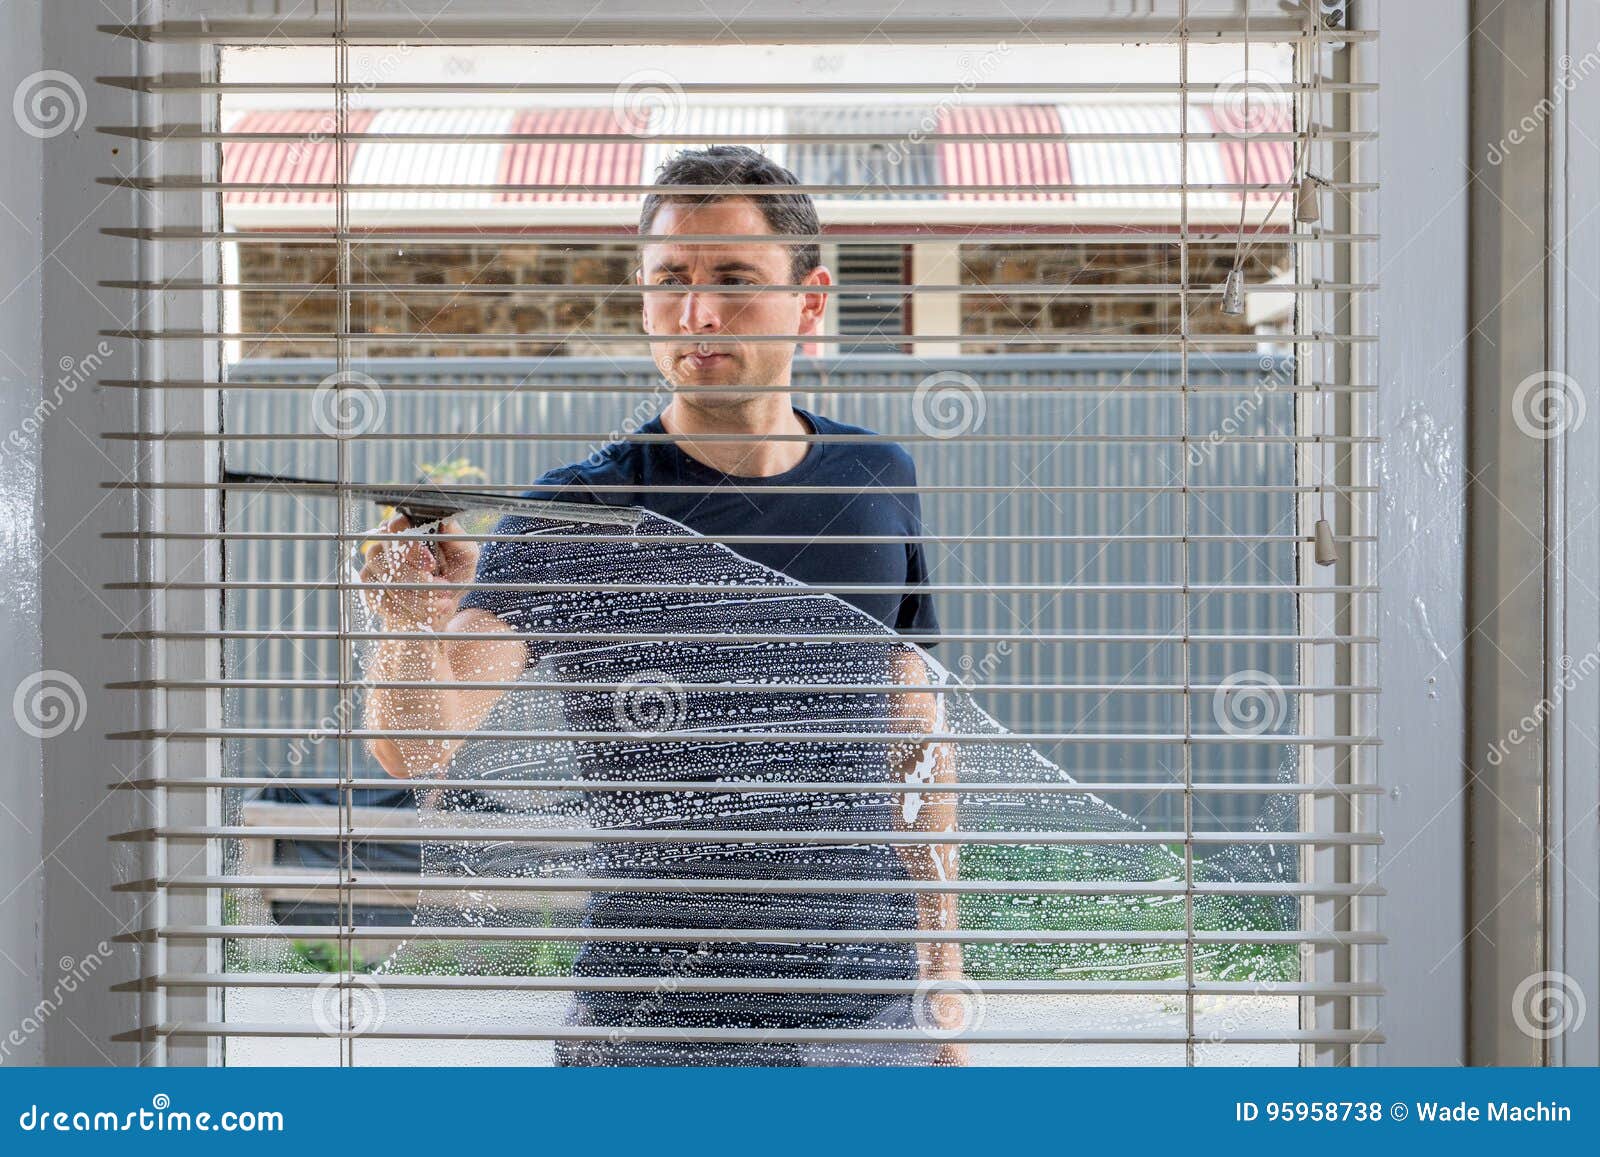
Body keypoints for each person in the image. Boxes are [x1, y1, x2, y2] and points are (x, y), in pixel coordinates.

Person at [358, 145, 963, 1064]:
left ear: (810, 299)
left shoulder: (877, 475)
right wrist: (406, 620)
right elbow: (419, 746)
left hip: (868, 1022)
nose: (699, 313)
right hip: (649, 1031)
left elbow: (915, 725)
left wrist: (943, 969)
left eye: (733, 277)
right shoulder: (581, 515)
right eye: (669, 279)